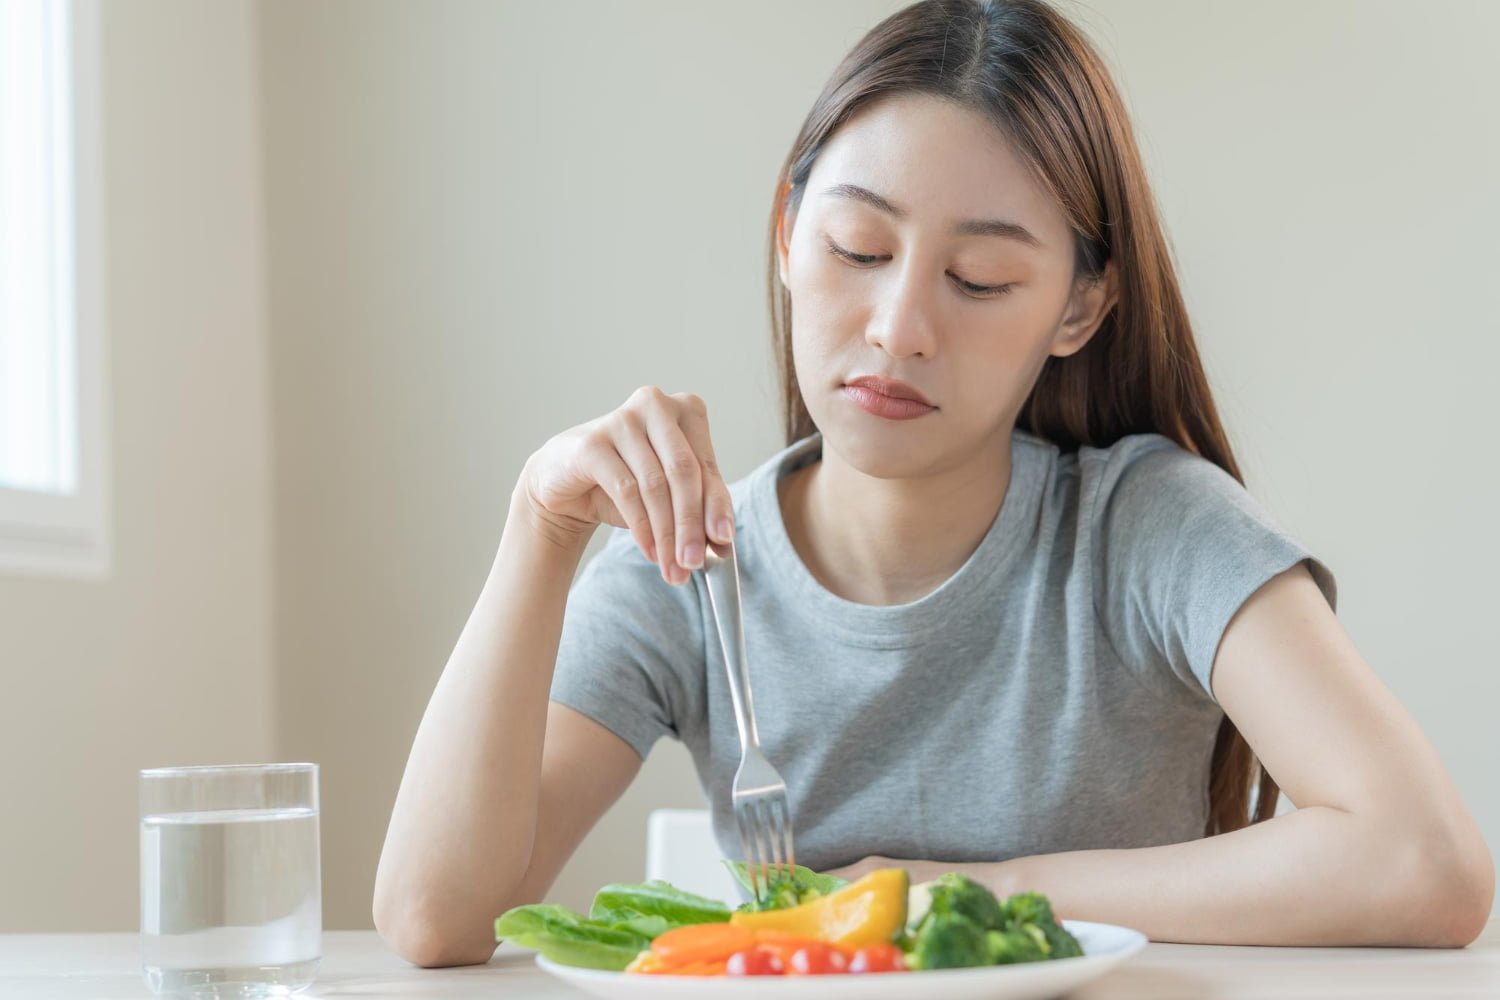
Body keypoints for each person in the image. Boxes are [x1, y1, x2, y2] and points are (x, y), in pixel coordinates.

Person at [372, 0, 1493, 967]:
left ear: (1078, 308)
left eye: (981, 278)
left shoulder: (1149, 528)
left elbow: (1426, 864)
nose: (900, 328)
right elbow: (435, 917)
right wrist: (540, 527)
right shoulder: (692, 562)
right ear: (786, 231)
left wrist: (974, 894)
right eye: (860, 248)